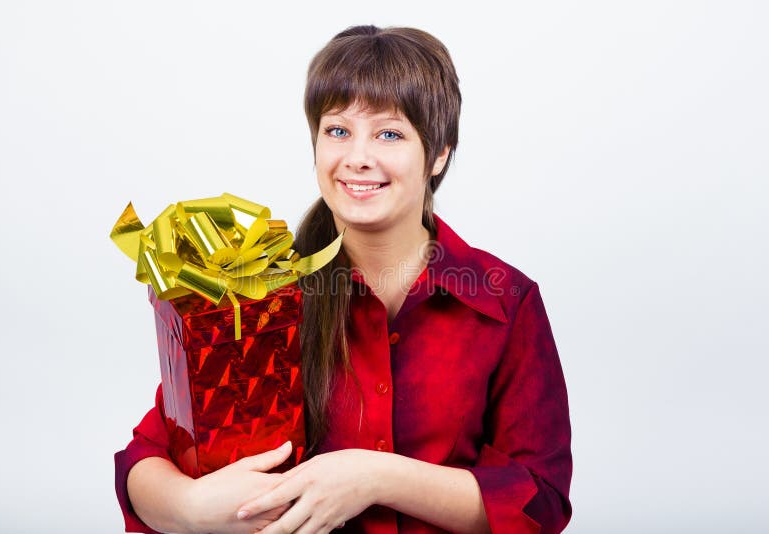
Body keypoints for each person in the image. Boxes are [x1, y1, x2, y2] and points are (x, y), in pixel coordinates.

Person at [115, 25, 572, 534]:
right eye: (338, 131)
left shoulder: (506, 300)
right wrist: (189, 509)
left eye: (389, 133)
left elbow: (540, 500)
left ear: (439, 152)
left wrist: (375, 477)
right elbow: (148, 458)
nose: (357, 156)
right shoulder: (258, 293)